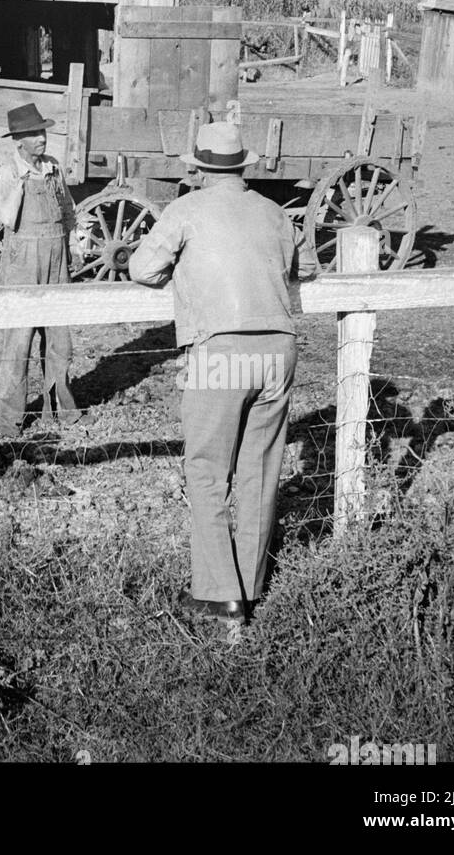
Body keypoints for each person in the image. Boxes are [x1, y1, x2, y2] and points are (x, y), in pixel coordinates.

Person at [127, 120, 316, 624]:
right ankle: (251, 588)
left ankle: (219, 594)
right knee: (260, 471)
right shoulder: (275, 214)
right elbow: (304, 270)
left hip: (220, 352)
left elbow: (142, 269)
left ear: (199, 169)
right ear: (241, 167)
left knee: (207, 471)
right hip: (278, 350)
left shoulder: (185, 211)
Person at [0, 102, 82, 436]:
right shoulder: (10, 170)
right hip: (22, 258)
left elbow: (68, 212)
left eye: (42, 132)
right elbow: (4, 216)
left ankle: (61, 409)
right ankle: (7, 416)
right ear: (19, 141)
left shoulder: (54, 168)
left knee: (59, 337)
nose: (41, 139)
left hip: (56, 258)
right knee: (18, 337)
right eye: (33, 135)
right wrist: (23, 182)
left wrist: (74, 245)